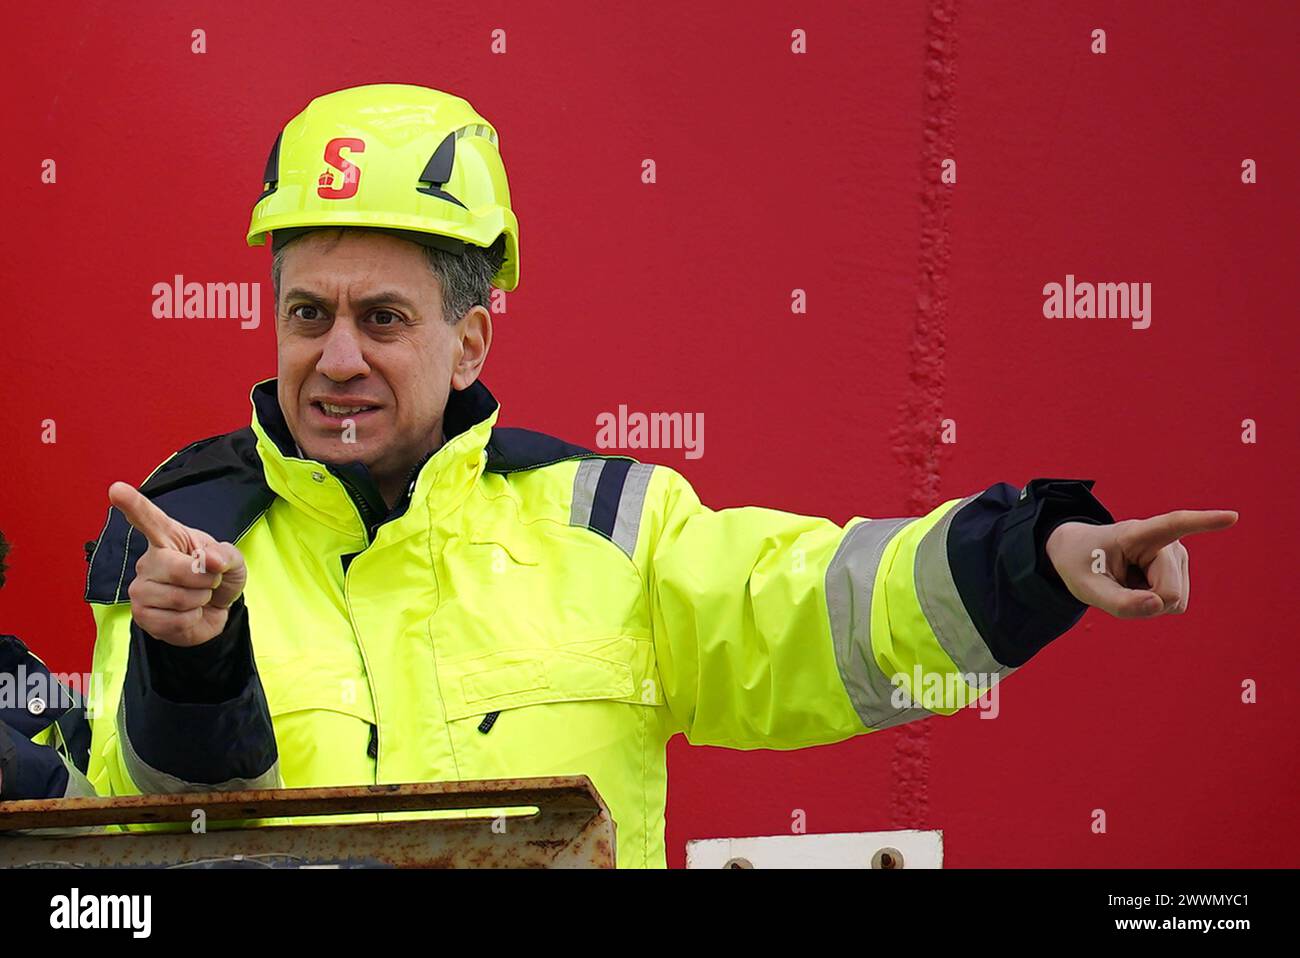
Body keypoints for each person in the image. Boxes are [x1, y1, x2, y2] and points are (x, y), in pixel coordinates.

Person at [81, 83, 1236, 867]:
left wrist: (1033, 556)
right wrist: (192, 667)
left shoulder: (611, 527)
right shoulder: (180, 541)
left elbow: (815, 600)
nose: (336, 358)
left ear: (471, 341)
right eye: (306, 315)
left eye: (382, 318)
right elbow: (139, 845)